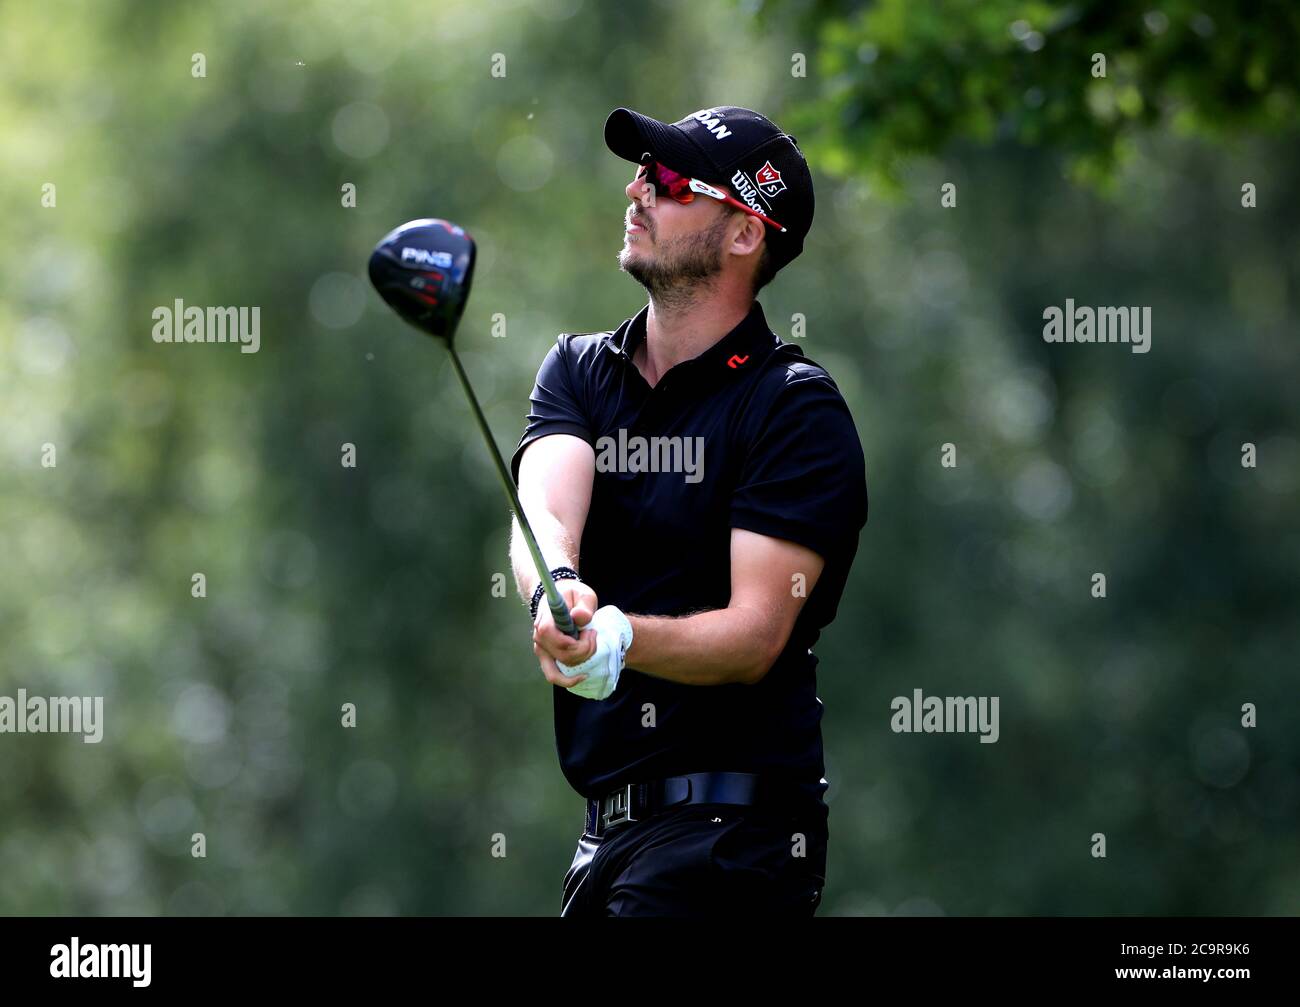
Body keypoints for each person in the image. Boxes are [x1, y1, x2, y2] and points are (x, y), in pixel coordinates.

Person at [508, 105, 868, 916]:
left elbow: (754, 635)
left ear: (745, 233)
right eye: (641, 173)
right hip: (605, 840)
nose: (638, 190)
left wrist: (621, 637)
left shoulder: (792, 410)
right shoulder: (577, 369)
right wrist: (556, 587)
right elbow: (543, 509)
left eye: (669, 181)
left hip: (732, 838)